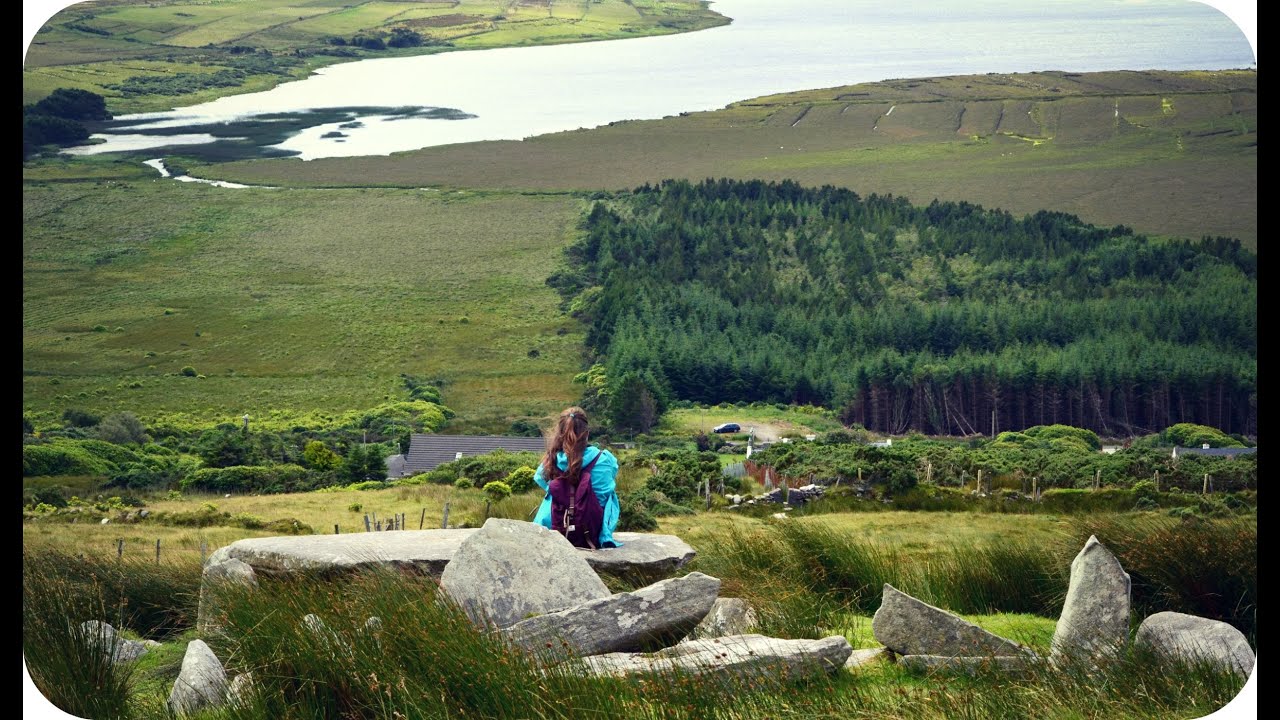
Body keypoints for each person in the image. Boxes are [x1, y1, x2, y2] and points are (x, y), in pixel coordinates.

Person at [532, 406, 622, 548]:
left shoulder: (552, 458)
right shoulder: (604, 459)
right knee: (610, 494)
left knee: (553, 492)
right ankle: (604, 534)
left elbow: (539, 478)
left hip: (554, 525)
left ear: (560, 432)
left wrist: (563, 492)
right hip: (592, 527)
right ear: (587, 433)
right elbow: (612, 475)